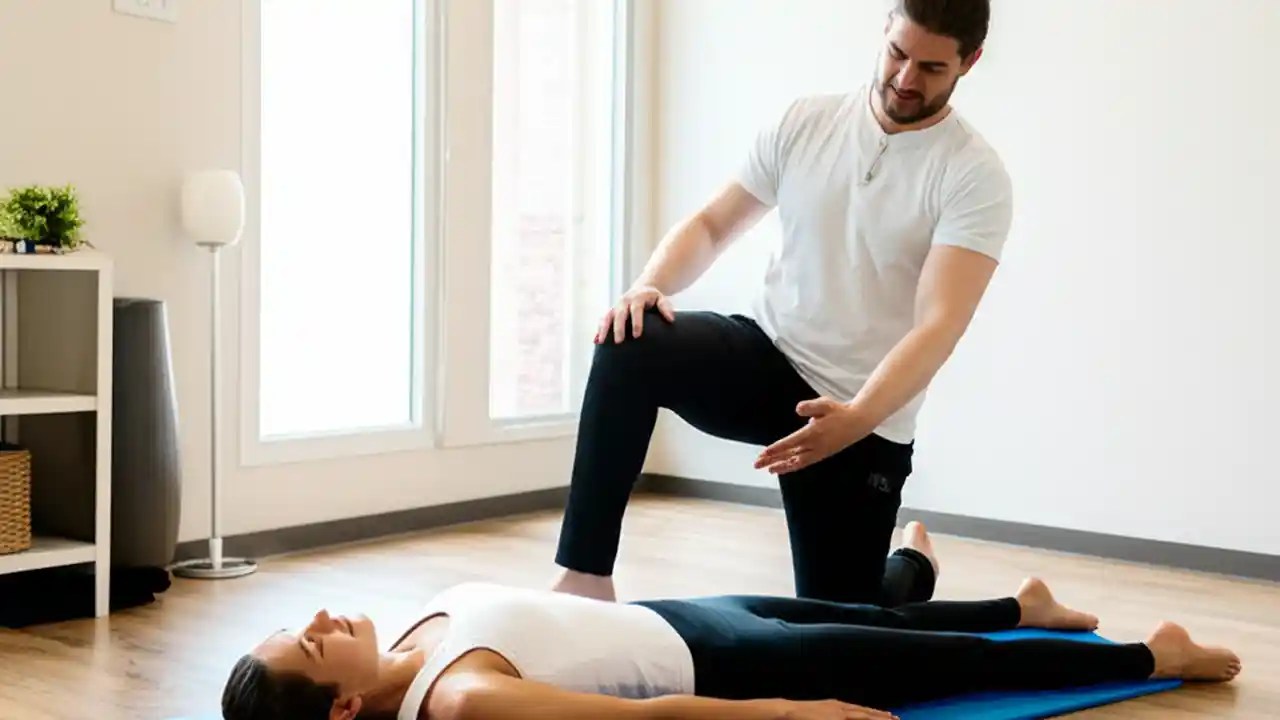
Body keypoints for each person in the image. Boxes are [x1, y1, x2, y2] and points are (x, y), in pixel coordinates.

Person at [552, 0, 1016, 605]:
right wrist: (651, 285)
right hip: (768, 357)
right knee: (631, 338)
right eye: (898, 54)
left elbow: (939, 322)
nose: (905, 80)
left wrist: (857, 417)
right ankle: (584, 579)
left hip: (858, 412)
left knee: (838, 630)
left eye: (930, 68)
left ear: (969, 62)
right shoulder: (808, 122)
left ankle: (910, 567)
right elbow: (714, 225)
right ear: (885, 30)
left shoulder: (973, 174)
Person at [220, 530, 1241, 720]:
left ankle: (1025, 607)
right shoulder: (459, 698)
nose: (319, 617)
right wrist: (795, 717)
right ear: (345, 709)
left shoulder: (407, 639)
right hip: (727, 661)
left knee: (858, 606)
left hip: (679, 613)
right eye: (311, 643)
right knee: (933, 660)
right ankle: (1156, 653)